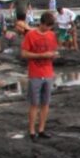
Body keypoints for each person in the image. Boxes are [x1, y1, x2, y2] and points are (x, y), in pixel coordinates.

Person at [21, 10, 59, 140]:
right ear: (42, 24)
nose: (48, 29)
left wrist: (53, 55)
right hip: (35, 73)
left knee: (45, 103)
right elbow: (24, 53)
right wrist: (42, 55)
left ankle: (41, 129)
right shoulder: (30, 35)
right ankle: (32, 131)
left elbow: (53, 51)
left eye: (50, 27)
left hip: (48, 72)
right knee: (34, 104)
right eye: (47, 26)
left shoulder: (51, 35)